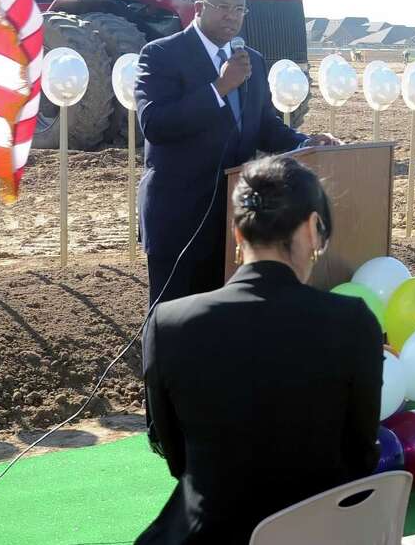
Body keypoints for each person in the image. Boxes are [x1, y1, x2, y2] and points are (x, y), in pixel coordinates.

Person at [137, 155, 383, 545]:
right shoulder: (353, 321)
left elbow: (176, 455)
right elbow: (361, 454)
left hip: (210, 532)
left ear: (238, 234)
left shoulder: (168, 323)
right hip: (320, 533)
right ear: (311, 228)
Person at [135, 0, 336, 306]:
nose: (232, 16)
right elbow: (156, 124)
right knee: (172, 319)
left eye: (239, 10)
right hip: (179, 216)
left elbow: (263, 126)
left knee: (222, 320)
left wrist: (304, 143)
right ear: (199, 8)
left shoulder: (251, 60)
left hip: (233, 217)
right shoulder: (161, 55)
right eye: (223, 8)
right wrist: (218, 88)